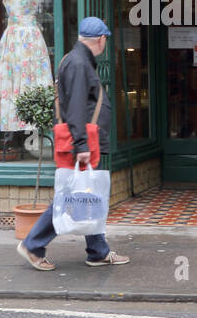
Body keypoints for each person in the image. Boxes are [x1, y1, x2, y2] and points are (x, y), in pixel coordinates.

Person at [16, 16, 129, 271]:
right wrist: (82, 147)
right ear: (100, 40)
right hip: (81, 142)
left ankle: (98, 251)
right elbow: (76, 108)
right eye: (105, 40)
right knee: (70, 197)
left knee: (85, 193)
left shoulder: (74, 59)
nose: (105, 44)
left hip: (81, 140)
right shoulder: (79, 64)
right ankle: (32, 245)